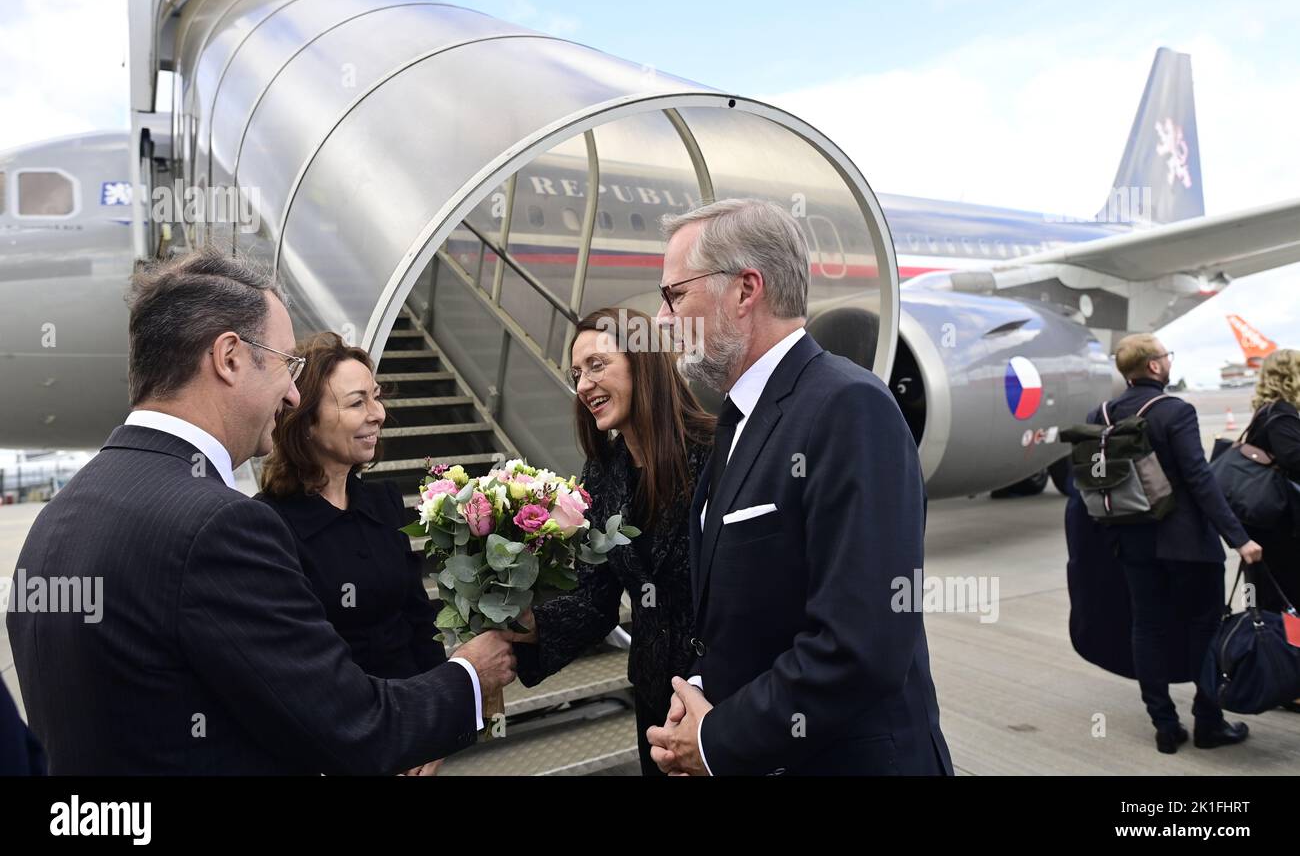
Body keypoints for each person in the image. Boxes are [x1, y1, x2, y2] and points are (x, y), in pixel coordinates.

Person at [5, 249, 518, 774]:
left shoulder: (59, 516)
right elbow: (353, 727)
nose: (294, 393)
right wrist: (470, 675)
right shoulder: (220, 527)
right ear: (229, 357)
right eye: (287, 364)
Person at [646, 198, 952, 776]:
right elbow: (756, 612)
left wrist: (716, 741)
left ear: (744, 290)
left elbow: (859, 648)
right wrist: (704, 692)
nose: (662, 320)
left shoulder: (848, 406)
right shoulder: (739, 419)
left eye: (674, 295)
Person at [512, 307, 713, 776]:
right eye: (577, 373)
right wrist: (524, 625)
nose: (582, 385)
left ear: (643, 361)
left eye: (597, 366)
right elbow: (595, 598)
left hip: (718, 704)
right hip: (654, 702)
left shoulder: (717, 453)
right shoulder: (602, 474)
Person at [256, 331, 449, 775]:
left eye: (376, 398)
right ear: (305, 420)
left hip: (412, 737)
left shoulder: (382, 501)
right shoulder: (267, 525)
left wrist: (434, 726)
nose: (378, 414)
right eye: (357, 402)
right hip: (337, 749)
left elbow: (419, 621)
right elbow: (300, 671)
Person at [1094, 333, 1262, 754]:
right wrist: (1238, 538)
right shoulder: (1174, 411)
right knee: (1204, 630)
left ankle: (1164, 725)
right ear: (1154, 366)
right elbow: (1199, 479)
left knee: (1147, 627)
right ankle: (1209, 722)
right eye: (1167, 356)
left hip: (1133, 544)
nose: (1169, 362)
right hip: (1187, 546)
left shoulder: (1102, 415)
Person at [1238, 349, 1300, 617]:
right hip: (1280, 528)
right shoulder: (1282, 414)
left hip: (1263, 521)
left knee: (1263, 597)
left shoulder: (1266, 412)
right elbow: (1293, 458)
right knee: (1285, 601)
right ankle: (1284, 653)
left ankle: (1272, 645)